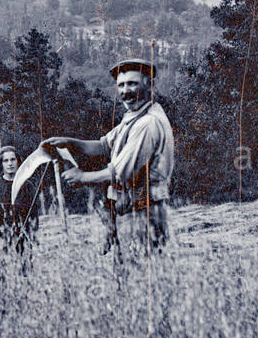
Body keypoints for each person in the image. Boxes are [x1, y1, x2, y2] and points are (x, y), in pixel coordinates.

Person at [42, 56, 174, 253]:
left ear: (149, 84)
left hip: (143, 213)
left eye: (132, 84)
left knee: (138, 274)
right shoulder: (133, 117)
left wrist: (82, 177)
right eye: (120, 85)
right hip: (131, 210)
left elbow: (121, 172)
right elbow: (104, 145)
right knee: (127, 273)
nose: (125, 91)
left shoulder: (148, 123)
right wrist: (70, 142)